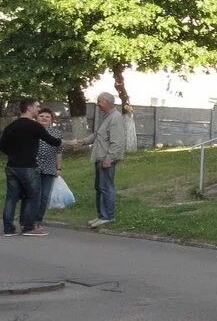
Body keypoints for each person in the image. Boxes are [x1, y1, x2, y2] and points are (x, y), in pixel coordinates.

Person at [1, 99, 69, 237]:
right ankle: (28, 227)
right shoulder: (34, 126)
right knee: (34, 196)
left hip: (12, 166)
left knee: (11, 198)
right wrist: (71, 142)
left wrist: (14, 154)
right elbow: (53, 141)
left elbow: (2, 145)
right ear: (29, 107)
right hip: (29, 167)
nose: (39, 110)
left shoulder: (11, 126)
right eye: (37, 107)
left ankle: (8, 229)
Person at [77, 92, 126, 229]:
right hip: (100, 158)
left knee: (106, 188)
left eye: (100, 102)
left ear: (108, 102)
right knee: (99, 187)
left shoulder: (115, 118)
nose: (97, 104)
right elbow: (97, 134)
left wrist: (109, 158)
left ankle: (107, 216)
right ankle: (101, 215)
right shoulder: (106, 117)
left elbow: (117, 142)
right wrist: (82, 142)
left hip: (106, 159)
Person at [33, 107, 63, 228]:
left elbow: (59, 152)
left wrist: (58, 168)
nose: (44, 118)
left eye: (47, 116)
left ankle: (38, 220)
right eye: (41, 116)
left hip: (49, 168)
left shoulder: (57, 133)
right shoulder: (31, 130)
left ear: (51, 120)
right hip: (33, 168)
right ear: (37, 117)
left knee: (44, 196)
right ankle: (29, 220)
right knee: (34, 195)